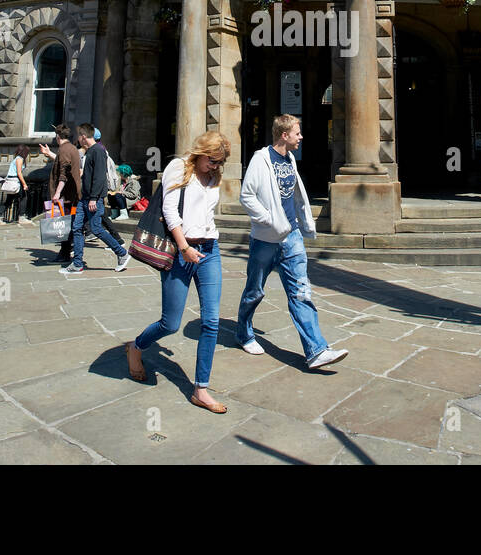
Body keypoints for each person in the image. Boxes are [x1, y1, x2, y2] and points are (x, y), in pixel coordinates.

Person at [126, 132, 230, 413]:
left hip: (209, 250)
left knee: (211, 321)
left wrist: (205, 243)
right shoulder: (179, 167)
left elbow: (206, 214)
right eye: (213, 161)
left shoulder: (213, 175)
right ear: (201, 152)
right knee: (170, 323)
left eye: (220, 162)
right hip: (180, 251)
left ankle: (201, 389)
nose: (216, 166)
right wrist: (184, 247)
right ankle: (136, 347)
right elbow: (170, 211)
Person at [237, 115, 348, 370]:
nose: (301, 137)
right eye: (297, 133)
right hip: (266, 239)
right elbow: (247, 195)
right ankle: (243, 333)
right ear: (284, 135)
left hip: (292, 236)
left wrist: (299, 222)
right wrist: (268, 220)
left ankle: (316, 350)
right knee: (254, 291)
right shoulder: (261, 159)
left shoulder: (290, 159)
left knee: (301, 292)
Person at [60, 123, 129, 273]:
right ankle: (77, 263)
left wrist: (93, 198)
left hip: (93, 198)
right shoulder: (90, 151)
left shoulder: (98, 151)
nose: (78, 139)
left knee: (96, 229)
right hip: (84, 198)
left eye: (79, 136)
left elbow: (99, 177)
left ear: (84, 137)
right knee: (77, 227)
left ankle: (122, 253)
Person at [41, 125, 81, 262]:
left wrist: (57, 193)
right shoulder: (71, 148)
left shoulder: (64, 150)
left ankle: (65, 253)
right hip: (72, 194)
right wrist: (49, 153)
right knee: (67, 224)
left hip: (66, 195)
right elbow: (64, 163)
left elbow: (64, 174)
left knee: (63, 225)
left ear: (58, 137)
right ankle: (65, 252)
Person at [0, 144, 30, 225]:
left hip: (12, 181)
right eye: (27, 152)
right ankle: (22, 217)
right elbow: (19, 173)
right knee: (23, 197)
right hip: (15, 181)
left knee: (9, 200)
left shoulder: (17, 158)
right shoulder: (19, 159)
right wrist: (24, 184)